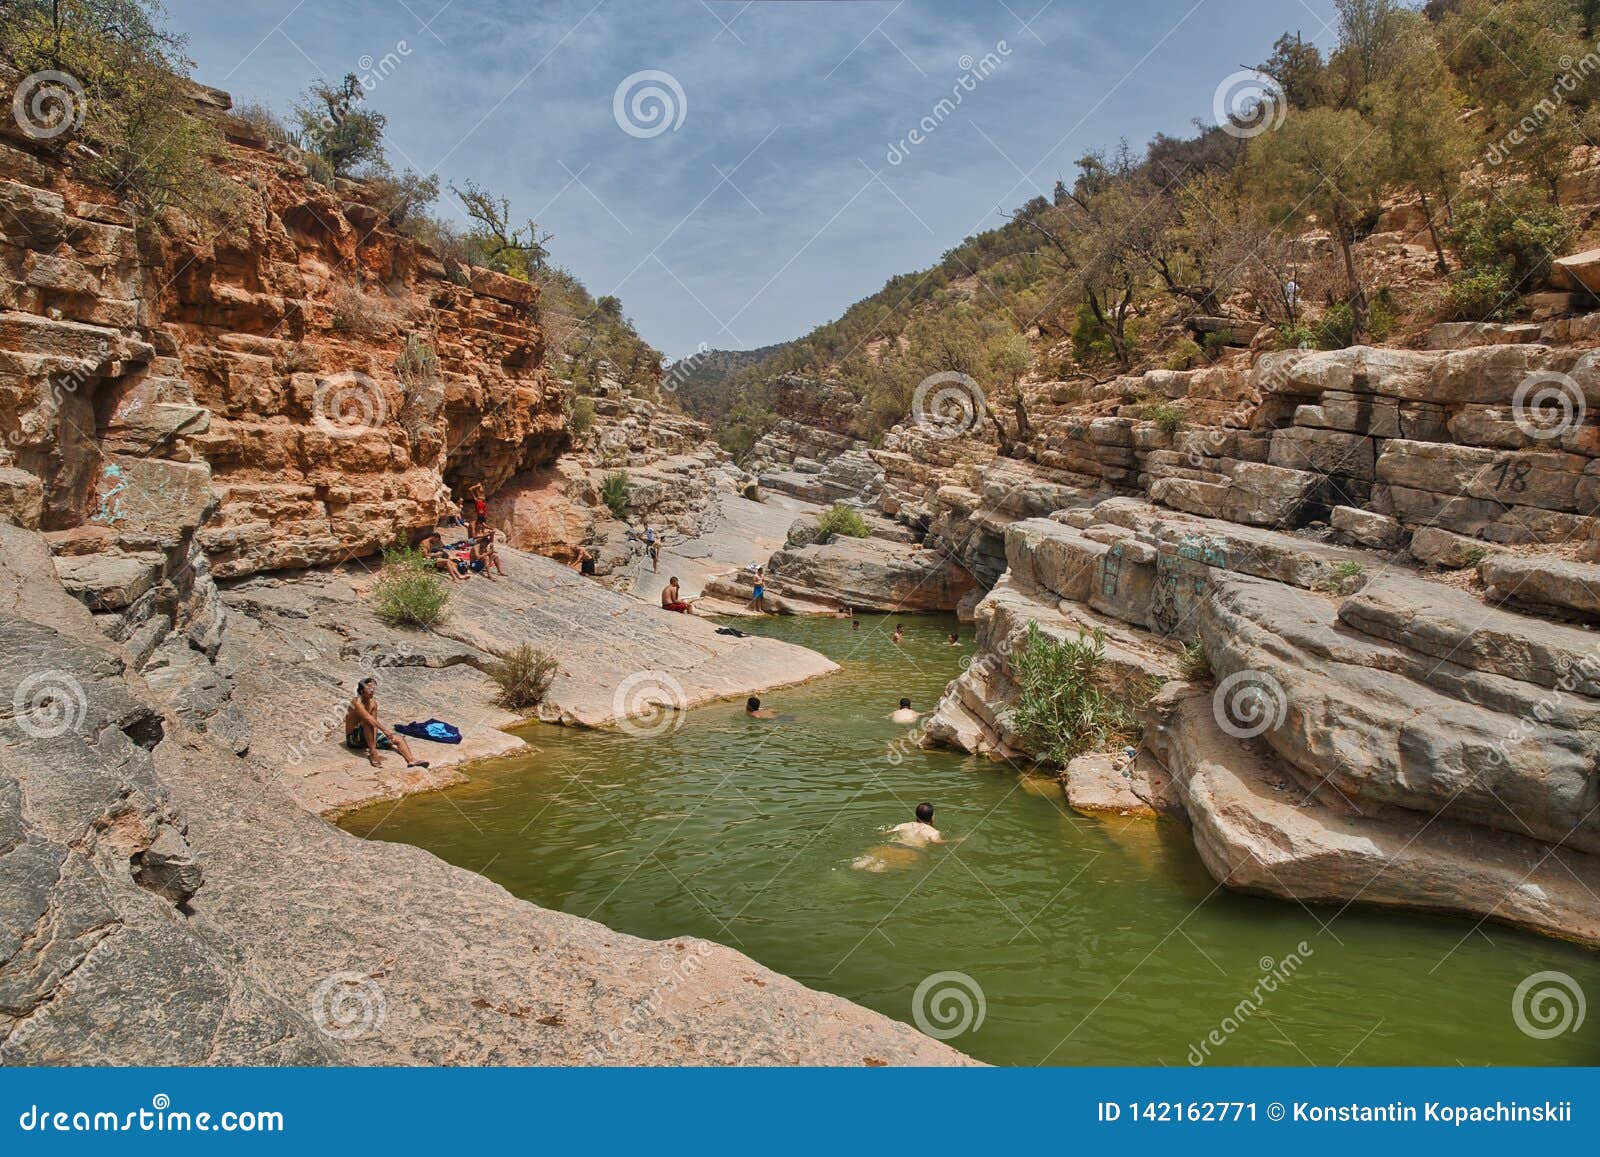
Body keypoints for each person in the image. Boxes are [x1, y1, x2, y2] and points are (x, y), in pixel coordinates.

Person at [344, 677, 430, 770]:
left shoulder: (373, 703)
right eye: (368, 689)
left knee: (399, 739)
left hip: (366, 737)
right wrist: (384, 731)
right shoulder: (356, 702)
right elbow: (368, 718)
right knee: (367, 722)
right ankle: (373, 753)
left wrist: (376, 739)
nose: (372, 691)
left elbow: (375, 724)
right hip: (354, 739)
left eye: (373, 689)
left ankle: (411, 760)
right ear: (361, 691)